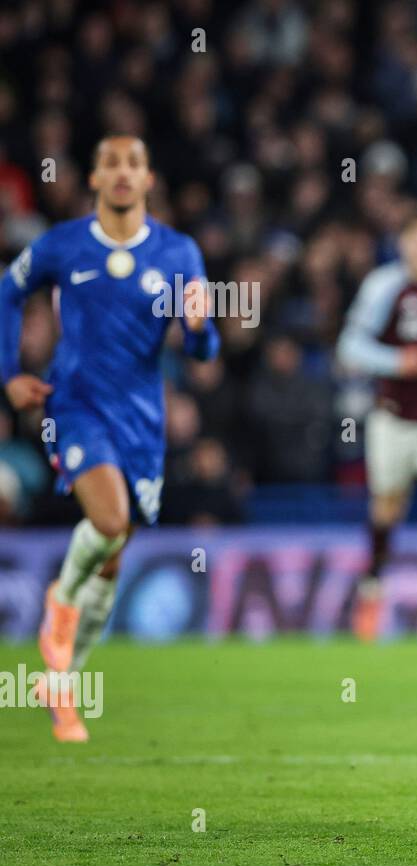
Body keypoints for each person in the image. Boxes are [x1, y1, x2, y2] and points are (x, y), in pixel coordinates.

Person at [0, 135, 219, 741]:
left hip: (141, 421)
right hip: (75, 406)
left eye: (134, 164)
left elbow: (205, 349)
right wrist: (9, 375)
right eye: (111, 164)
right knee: (108, 517)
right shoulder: (62, 245)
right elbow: (7, 292)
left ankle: (63, 682)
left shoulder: (178, 252)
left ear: (149, 179)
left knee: (114, 552)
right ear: (93, 178)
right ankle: (58, 605)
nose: (122, 173)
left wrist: (200, 328)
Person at [337, 206, 417, 641]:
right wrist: (395, 361)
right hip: (392, 418)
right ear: (404, 244)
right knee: (386, 508)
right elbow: (350, 345)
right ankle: (373, 590)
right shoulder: (384, 286)